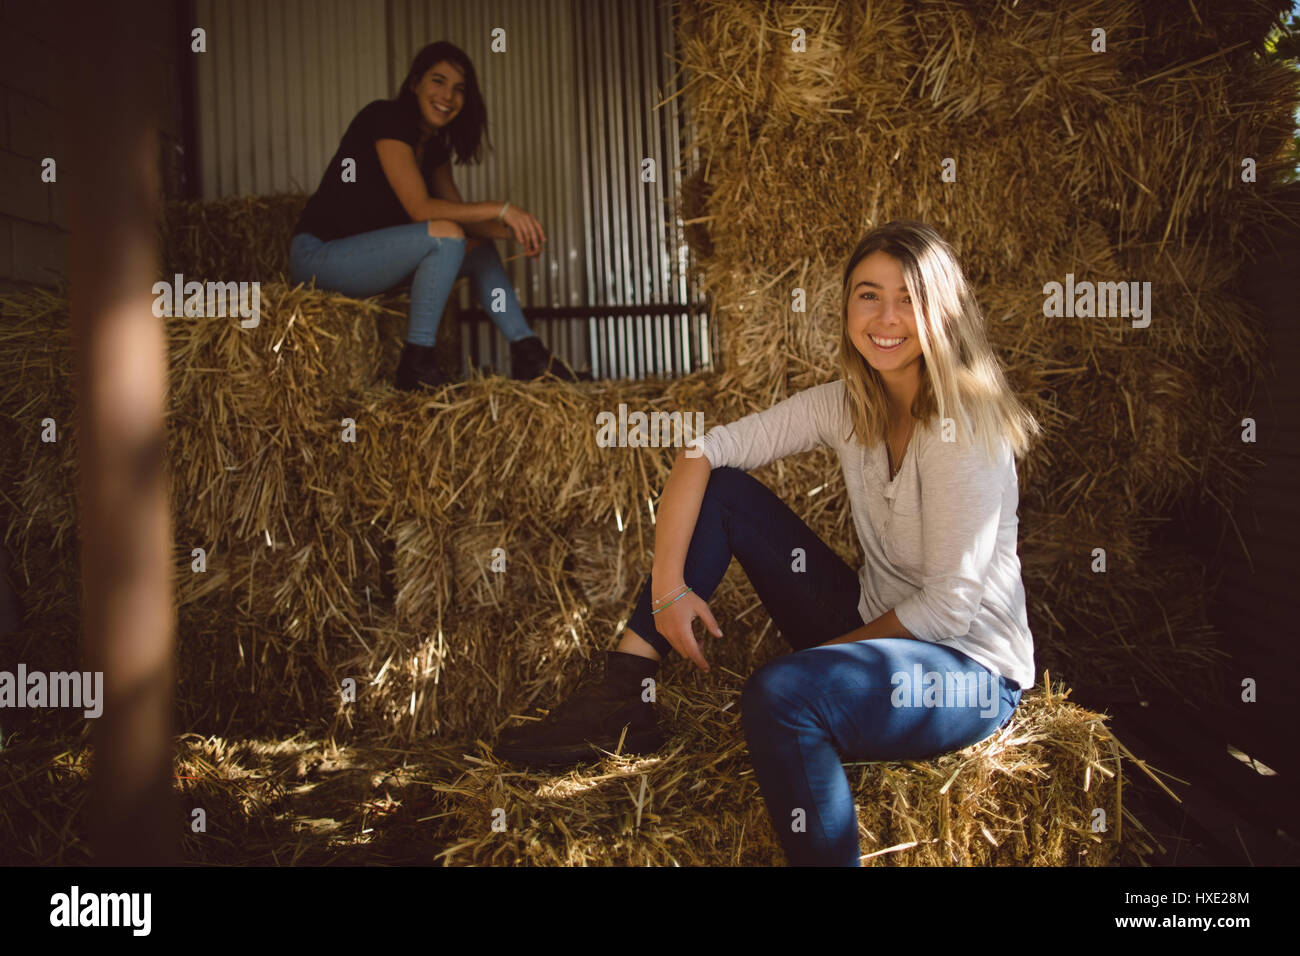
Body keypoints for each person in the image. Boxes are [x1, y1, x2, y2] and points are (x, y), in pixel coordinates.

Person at [494, 220, 1043, 866]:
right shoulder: (850, 402)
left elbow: (950, 609)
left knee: (782, 697)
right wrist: (669, 589)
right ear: (845, 309)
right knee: (724, 491)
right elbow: (705, 451)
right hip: (877, 627)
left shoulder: (962, 431)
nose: (886, 316)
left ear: (943, 311)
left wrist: (818, 665)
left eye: (908, 297)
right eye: (868, 295)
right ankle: (626, 686)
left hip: (963, 673)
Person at [289, 41, 581, 389]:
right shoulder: (384, 118)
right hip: (321, 258)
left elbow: (461, 219)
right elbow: (421, 209)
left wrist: (514, 230)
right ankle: (416, 364)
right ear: (415, 83)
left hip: (370, 265)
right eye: (438, 81)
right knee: (445, 235)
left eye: (459, 89)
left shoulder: (434, 147)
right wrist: (504, 209)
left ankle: (528, 352)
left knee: (475, 246)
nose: (448, 96)